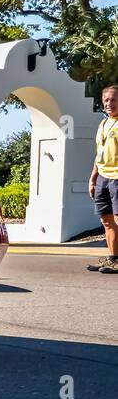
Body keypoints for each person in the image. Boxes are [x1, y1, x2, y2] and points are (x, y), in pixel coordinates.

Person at [88, 84, 118, 273]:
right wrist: (93, 178)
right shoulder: (104, 124)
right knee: (107, 221)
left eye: (114, 99)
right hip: (103, 178)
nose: (109, 103)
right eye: (106, 100)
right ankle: (113, 258)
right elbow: (99, 154)